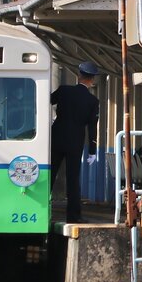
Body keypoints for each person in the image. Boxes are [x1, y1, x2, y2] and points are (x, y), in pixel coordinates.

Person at [50, 61, 100, 223]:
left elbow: (46, 101)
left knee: (49, 175)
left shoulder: (64, 91)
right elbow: (92, 128)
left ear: (79, 76)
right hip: (75, 143)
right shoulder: (92, 101)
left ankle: (41, 211)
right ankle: (73, 216)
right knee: (73, 179)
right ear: (92, 80)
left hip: (56, 138)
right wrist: (92, 150)